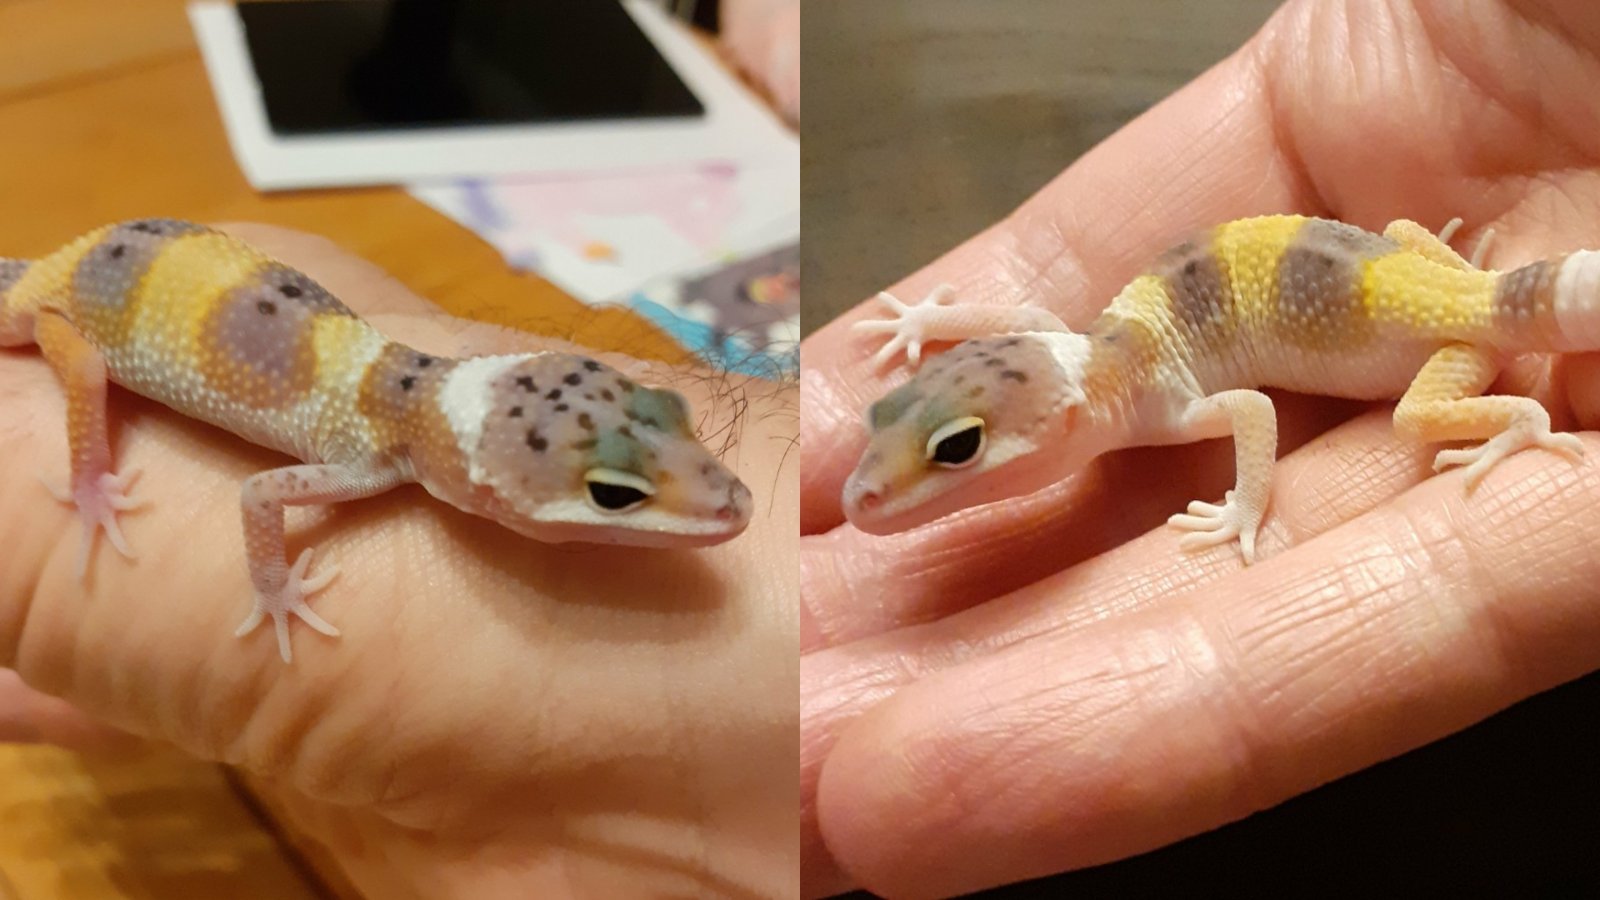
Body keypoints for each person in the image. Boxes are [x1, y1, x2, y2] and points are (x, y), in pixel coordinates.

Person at [799, 0, 1600, 896]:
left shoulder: (1154, 399)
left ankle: (1518, 423)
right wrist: (932, 321)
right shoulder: (1087, 357)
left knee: (1417, 422)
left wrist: (1245, 506)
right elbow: (1020, 326)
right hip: (1439, 280)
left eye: (954, 449)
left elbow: (1251, 407)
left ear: (1061, 422)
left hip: (1463, 331)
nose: (891, 490)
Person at [0, 224, 799, 899]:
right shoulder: (364, 454)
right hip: (71, 304)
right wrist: (269, 585)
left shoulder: (408, 425)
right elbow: (260, 498)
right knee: (85, 372)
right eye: (614, 495)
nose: (723, 505)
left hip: (142, 261)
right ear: (487, 485)